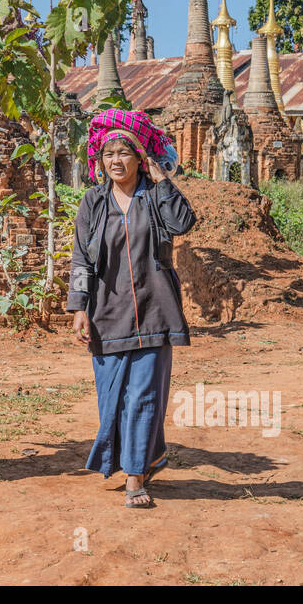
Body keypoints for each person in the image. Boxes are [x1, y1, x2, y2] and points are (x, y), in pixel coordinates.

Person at [68, 109, 196, 508]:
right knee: (113, 399)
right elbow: (80, 260)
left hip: (156, 308)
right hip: (107, 313)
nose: (116, 161)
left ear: (140, 157)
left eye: (125, 152)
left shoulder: (155, 195)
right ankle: (142, 456)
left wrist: (162, 181)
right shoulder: (93, 202)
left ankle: (135, 476)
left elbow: (183, 223)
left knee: (143, 396)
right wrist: (78, 308)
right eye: (109, 155)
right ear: (99, 161)